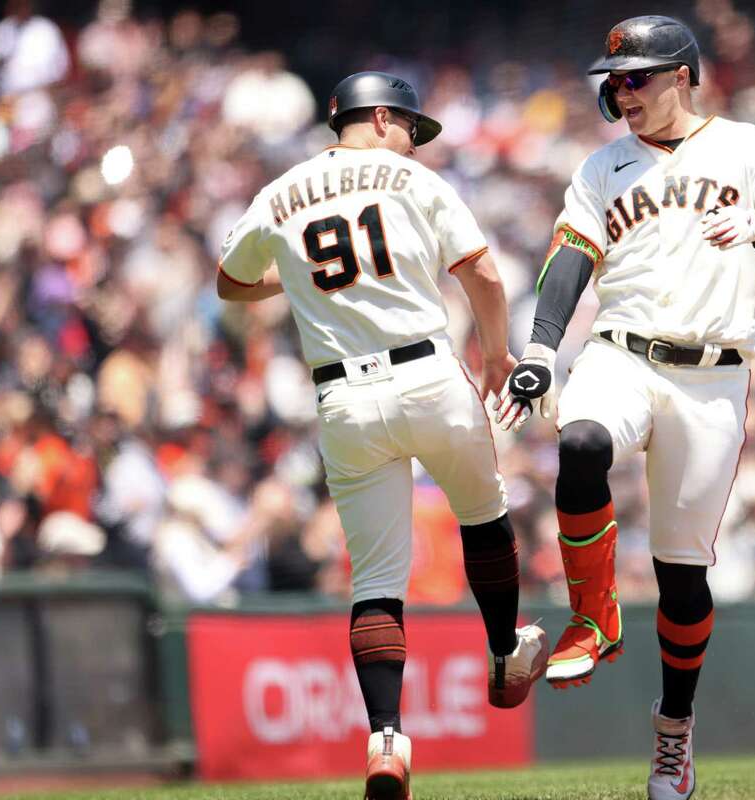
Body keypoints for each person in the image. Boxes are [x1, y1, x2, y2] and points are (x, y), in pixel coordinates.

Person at [494, 16, 755, 800]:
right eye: (613, 81)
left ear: (683, 75)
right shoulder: (603, 165)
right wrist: (541, 347)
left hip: (713, 377)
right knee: (578, 444)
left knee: (682, 580)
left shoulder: (749, 147)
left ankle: (674, 731)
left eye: (636, 77)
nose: (621, 92)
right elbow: (571, 255)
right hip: (621, 352)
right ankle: (593, 618)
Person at [216, 71, 548, 800]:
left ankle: (386, 737)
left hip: (342, 398)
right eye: (408, 126)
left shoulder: (281, 192)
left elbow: (231, 283)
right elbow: (484, 275)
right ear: (377, 117)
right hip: (428, 375)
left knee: (375, 581)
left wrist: (296, 280)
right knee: (484, 516)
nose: (413, 141)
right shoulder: (408, 179)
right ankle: (501, 651)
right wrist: (496, 354)